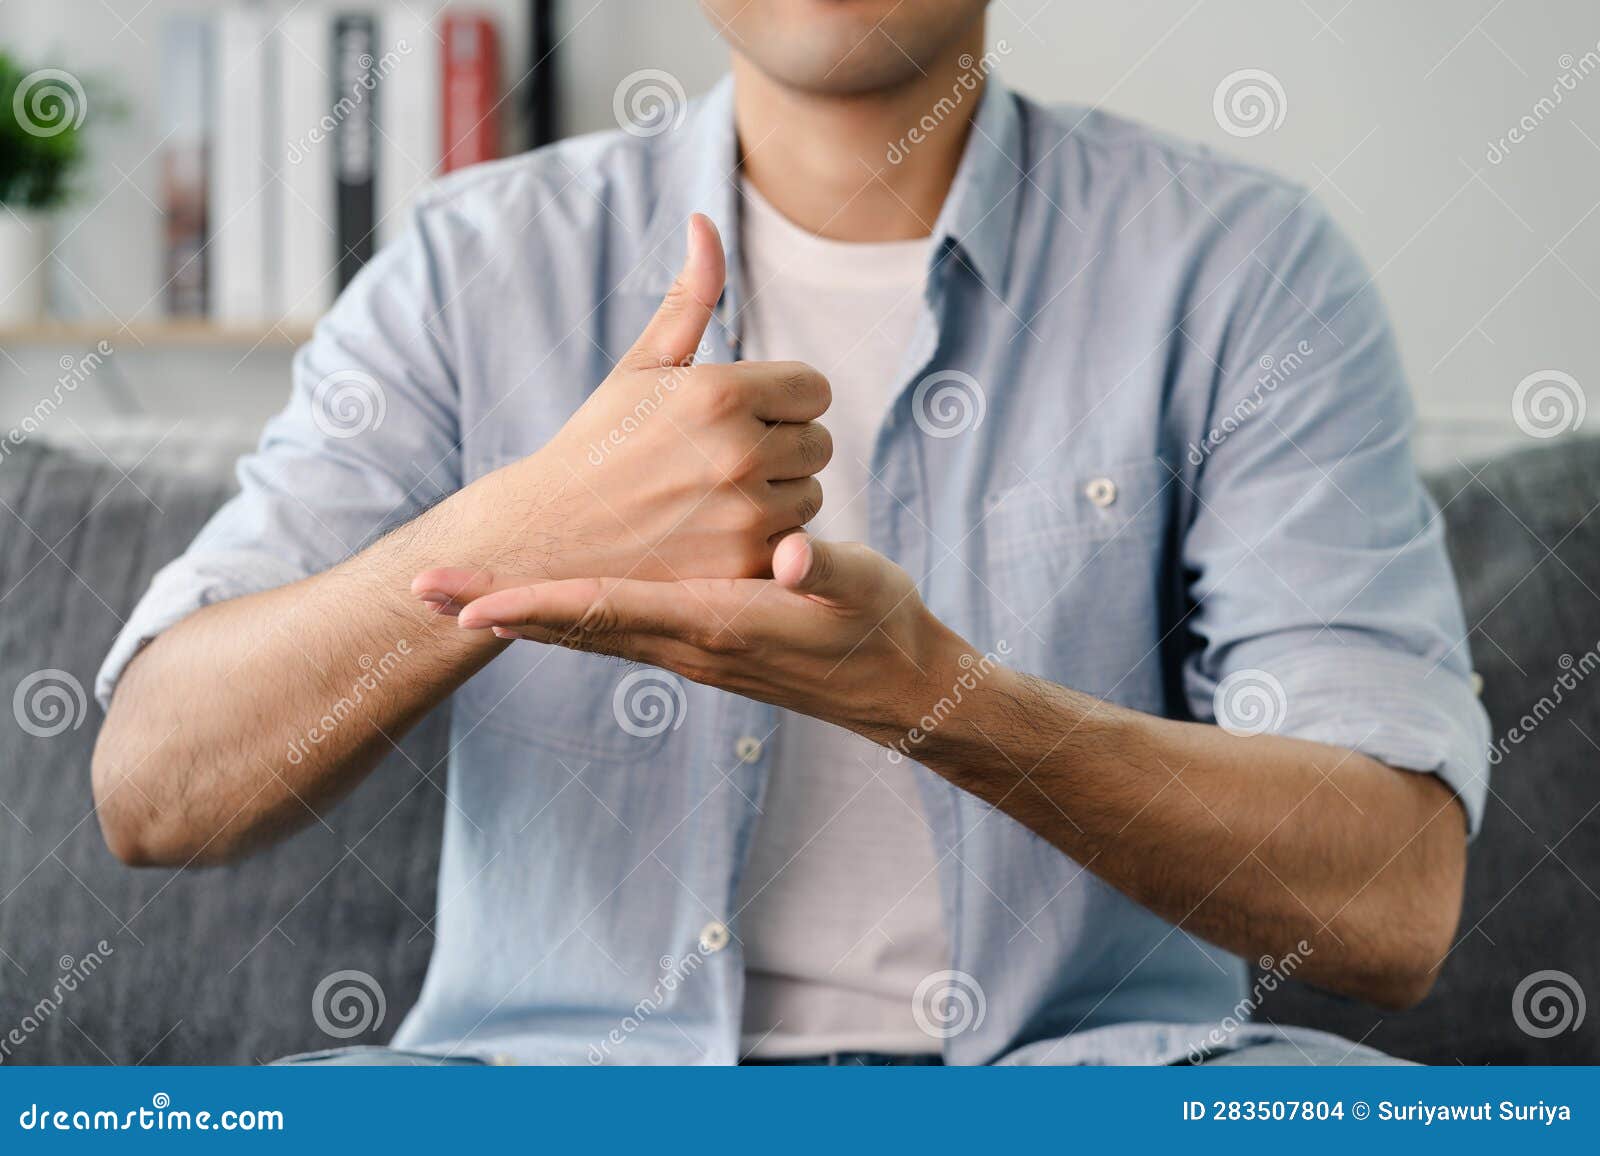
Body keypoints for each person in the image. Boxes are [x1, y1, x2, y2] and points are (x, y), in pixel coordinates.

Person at [91, 0, 1488, 1066]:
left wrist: (940, 701)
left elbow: (1396, 899)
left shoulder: (1243, 271)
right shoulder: (471, 263)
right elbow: (154, 783)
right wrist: (522, 526)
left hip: (1111, 1087)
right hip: (544, 1084)